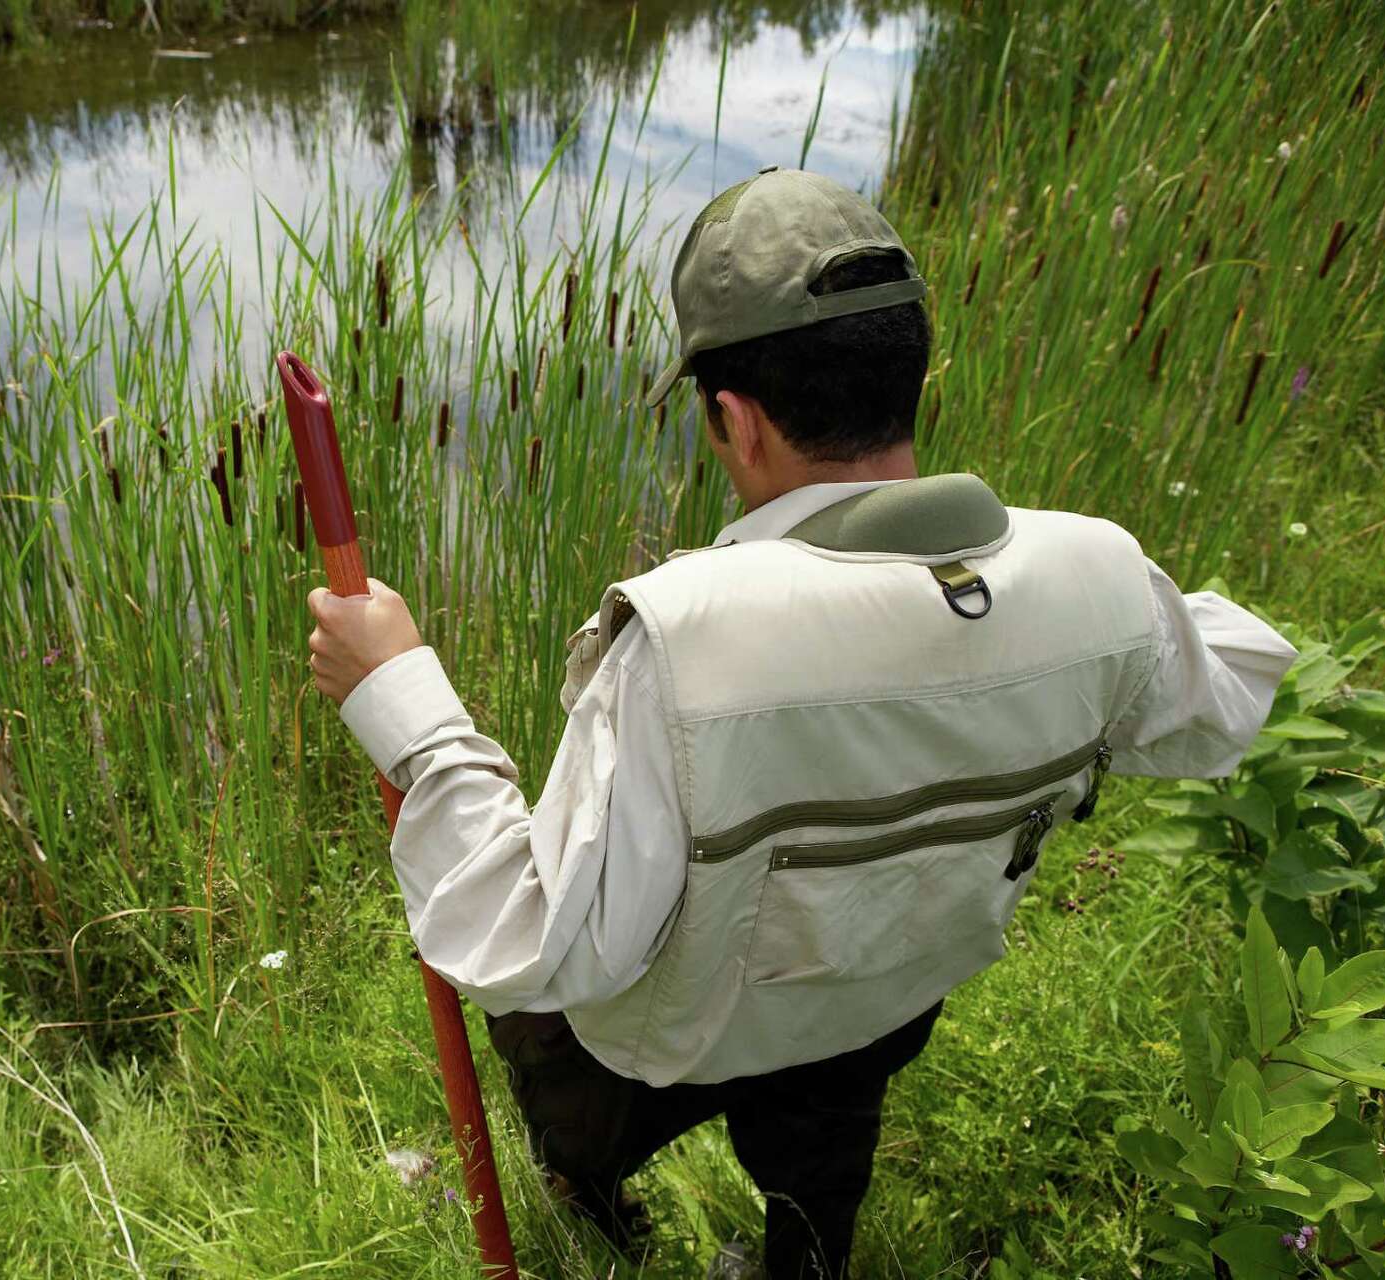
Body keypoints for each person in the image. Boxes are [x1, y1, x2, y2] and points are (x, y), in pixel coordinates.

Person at [304, 167, 1296, 1278]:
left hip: (674, 1041)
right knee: (825, 1149)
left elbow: (531, 939)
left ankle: (589, 1189)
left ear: (732, 419)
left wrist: (404, 695)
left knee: (556, 1049)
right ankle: (806, 1254)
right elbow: (1234, 693)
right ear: (911, 376)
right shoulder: (1105, 579)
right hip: (886, 998)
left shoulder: (688, 640)